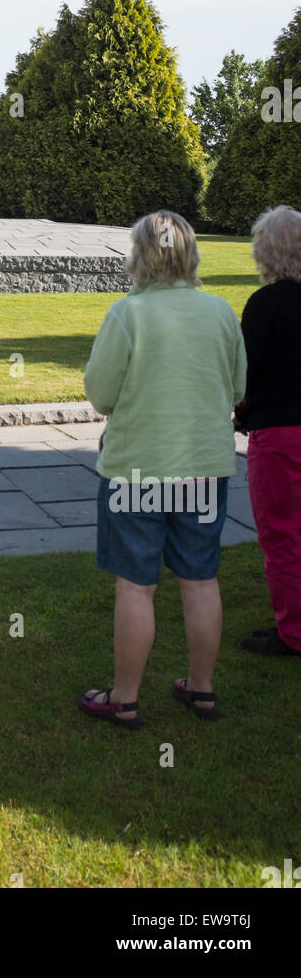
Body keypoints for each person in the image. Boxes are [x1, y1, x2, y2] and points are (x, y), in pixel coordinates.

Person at [79, 210, 246, 727]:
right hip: (204, 469)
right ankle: (202, 688)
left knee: (136, 584)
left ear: (140, 255)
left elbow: (100, 395)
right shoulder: (220, 313)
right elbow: (238, 389)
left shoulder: (127, 315)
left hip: (137, 471)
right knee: (200, 579)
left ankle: (124, 697)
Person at [234, 205, 301, 657]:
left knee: (282, 533)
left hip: (279, 434)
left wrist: (241, 412)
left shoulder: (264, 306)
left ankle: (293, 633)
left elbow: (244, 377)